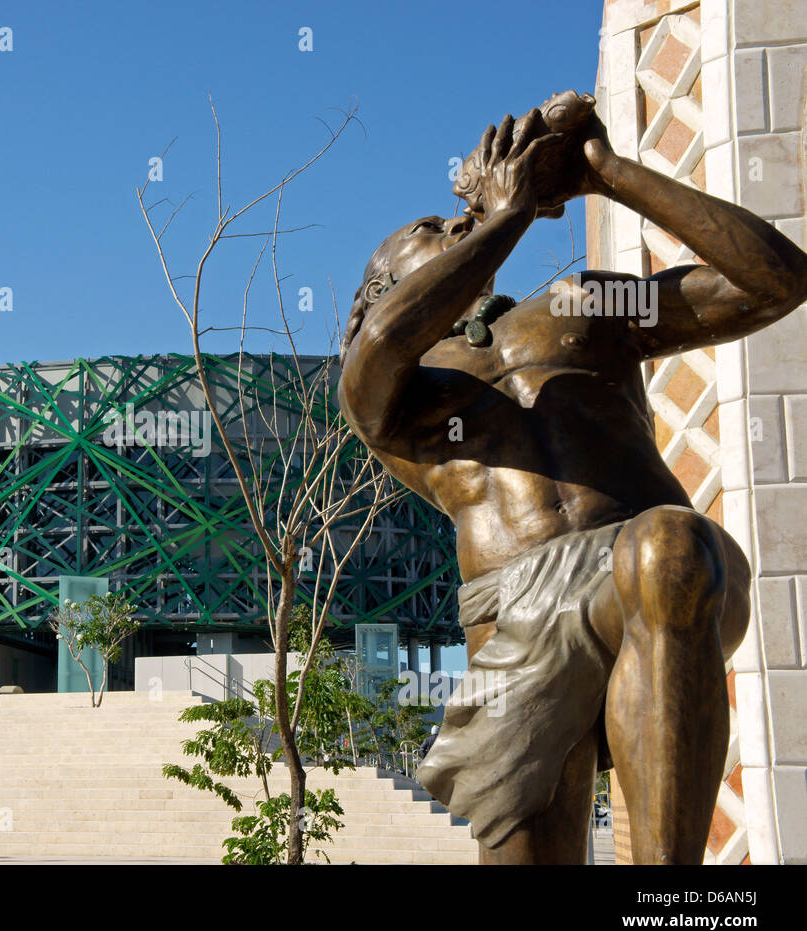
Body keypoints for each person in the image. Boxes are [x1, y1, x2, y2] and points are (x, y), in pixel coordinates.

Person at [339, 92, 807, 864]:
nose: (452, 223)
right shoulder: (391, 384)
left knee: (666, 547)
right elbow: (390, 332)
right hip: (509, 620)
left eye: (452, 218)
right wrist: (506, 215)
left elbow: (773, 281)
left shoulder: (583, 302)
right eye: (427, 231)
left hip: (640, 562)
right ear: (379, 285)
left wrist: (607, 173)